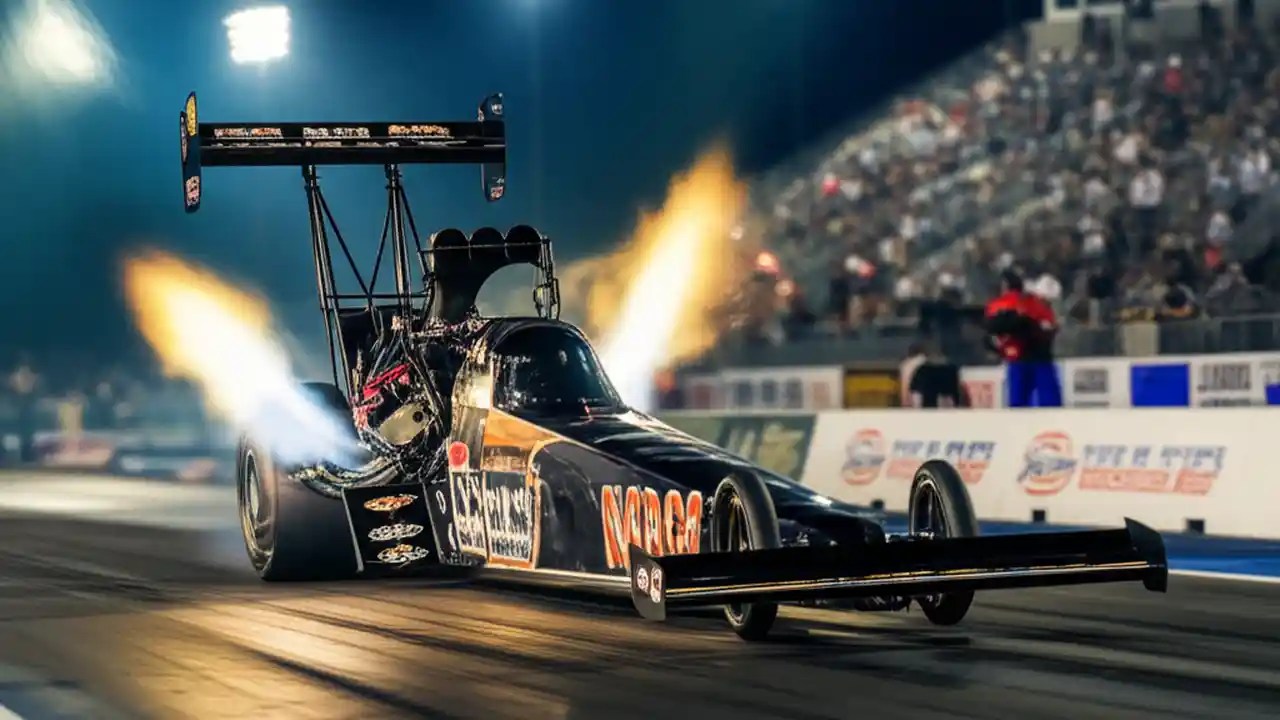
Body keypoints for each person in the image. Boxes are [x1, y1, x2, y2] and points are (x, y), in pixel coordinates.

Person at [984, 271, 1062, 408]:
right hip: (1027, 359)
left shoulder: (1029, 306)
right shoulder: (1024, 305)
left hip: (1029, 358)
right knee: (1032, 402)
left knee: (1025, 402)